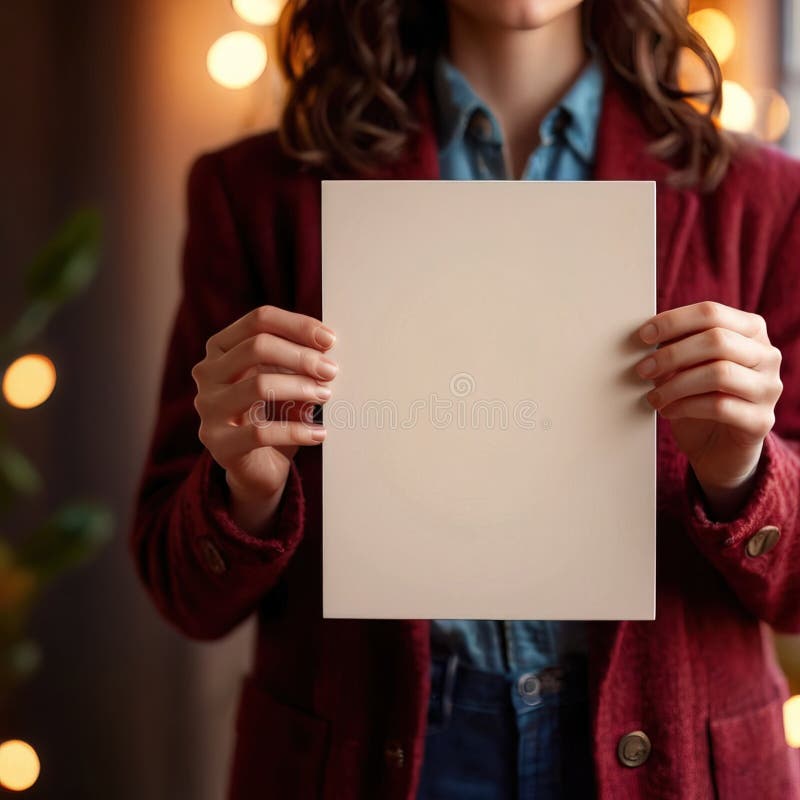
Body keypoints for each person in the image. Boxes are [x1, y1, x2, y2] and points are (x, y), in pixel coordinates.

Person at [128, 0, 800, 797]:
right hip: (369, 754)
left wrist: (741, 474)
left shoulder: (763, 198)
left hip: (673, 759)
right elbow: (186, 596)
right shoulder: (256, 192)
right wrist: (246, 492)